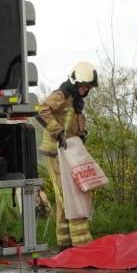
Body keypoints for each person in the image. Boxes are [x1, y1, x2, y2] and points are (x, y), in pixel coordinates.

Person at [36, 62, 97, 249]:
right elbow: (42, 110)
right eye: (82, 86)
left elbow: (73, 121)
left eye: (87, 87)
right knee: (67, 194)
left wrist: (81, 134)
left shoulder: (76, 100)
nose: (85, 90)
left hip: (67, 151)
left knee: (67, 194)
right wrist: (58, 132)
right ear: (74, 82)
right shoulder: (61, 94)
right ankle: (80, 240)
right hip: (55, 151)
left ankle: (65, 240)